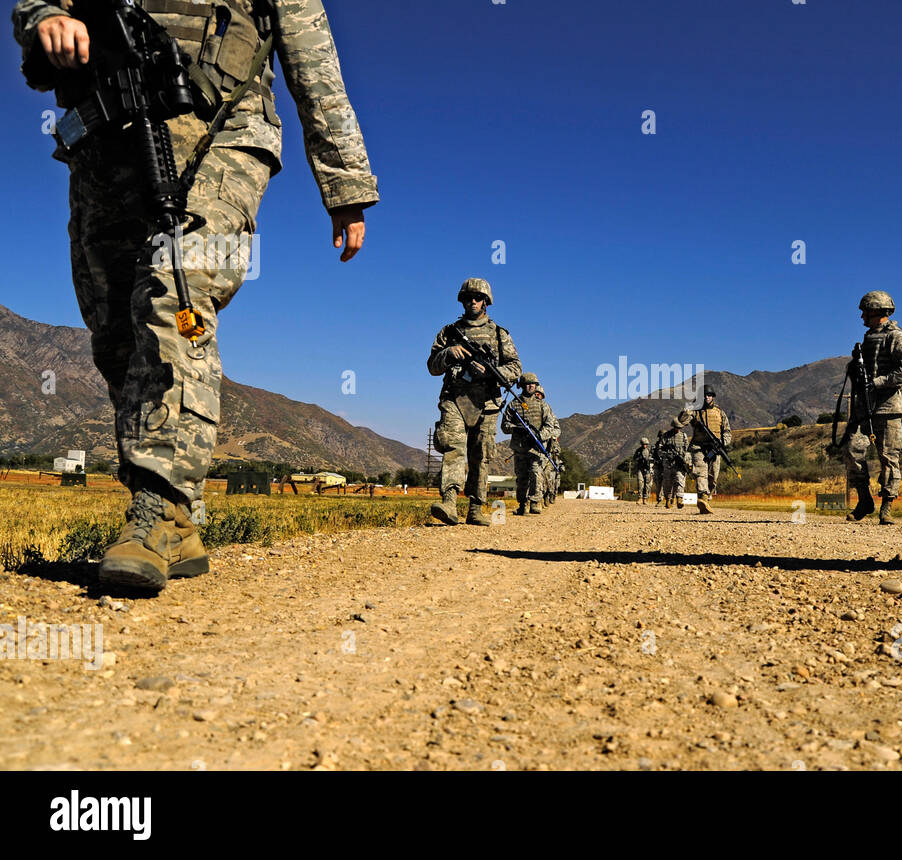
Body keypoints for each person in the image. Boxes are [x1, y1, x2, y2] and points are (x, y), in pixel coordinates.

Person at [12, 0, 378, 591]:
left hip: (227, 135)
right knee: (115, 336)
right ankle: (182, 515)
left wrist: (345, 184)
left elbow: (315, 64)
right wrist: (44, 19)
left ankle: (160, 509)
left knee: (178, 286)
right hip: (107, 137)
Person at [427, 278, 521, 527]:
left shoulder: (500, 334)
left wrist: (490, 372)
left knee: (481, 455)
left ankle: (475, 508)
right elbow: (432, 366)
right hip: (455, 398)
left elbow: (515, 368)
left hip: (487, 403)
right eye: (468, 298)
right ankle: (448, 502)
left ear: (486, 302)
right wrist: (448, 354)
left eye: (477, 298)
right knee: (453, 447)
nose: (472, 302)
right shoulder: (449, 332)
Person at [841, 291, 902, 526]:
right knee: (852, 450)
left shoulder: (898, 337)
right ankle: (865, 500)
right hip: (864, 408)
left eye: (865, 311)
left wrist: (877, 382)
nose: (862, 316)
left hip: (888, 407)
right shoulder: (867, 339)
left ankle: (887, 506)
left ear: (877, 311)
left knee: (888, 458)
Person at [501, 374, 559, 515]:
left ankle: (535, 502)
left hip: (536, 447)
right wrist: (515, 428)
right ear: (521, 386)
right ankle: (522, 504)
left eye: (533, 384)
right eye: (527, 384)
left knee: (536, 473)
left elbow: (550, 426)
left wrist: (539, 436)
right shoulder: (513, 404)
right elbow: (504, 426)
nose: (530, 386)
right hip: (520, 447)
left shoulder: (543, 405)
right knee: (521, 478)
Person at [688, 385, 732, 514]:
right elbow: (683, 420)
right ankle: (702, 497)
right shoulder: (695, 411)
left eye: (709, 395)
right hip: (699, 446)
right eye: (704, 395)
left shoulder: (720, 412)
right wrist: (688, 409)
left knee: (713, 476)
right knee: (701, 472)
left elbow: (727, 431)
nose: (707, 397)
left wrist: (722, 443)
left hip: (715, 448)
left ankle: (706, 499)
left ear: (713, 397)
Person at [659, 414, 690, 509]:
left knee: (680, 480)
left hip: (679, 463)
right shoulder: (666, 436)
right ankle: (668, 500)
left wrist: (686, 461)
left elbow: (687, 449)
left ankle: (679, 499)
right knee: (667, 482)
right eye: (677, 427)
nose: (678, 429)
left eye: (680, 427)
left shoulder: (684, 436)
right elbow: (660, 450)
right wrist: (667, 455)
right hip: (668, 463)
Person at [631, 437, 654, 504]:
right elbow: (634, 458)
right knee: (640, 482)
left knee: (647, 485)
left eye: (646, 444)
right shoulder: (638, 451)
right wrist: (639, 458)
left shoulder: (650, 450)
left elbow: (653, 459)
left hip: (648, 469)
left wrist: (649, 462)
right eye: (643, 444)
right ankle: (640, 498)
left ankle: (645, 498)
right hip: (640, 468)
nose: (644, 445)